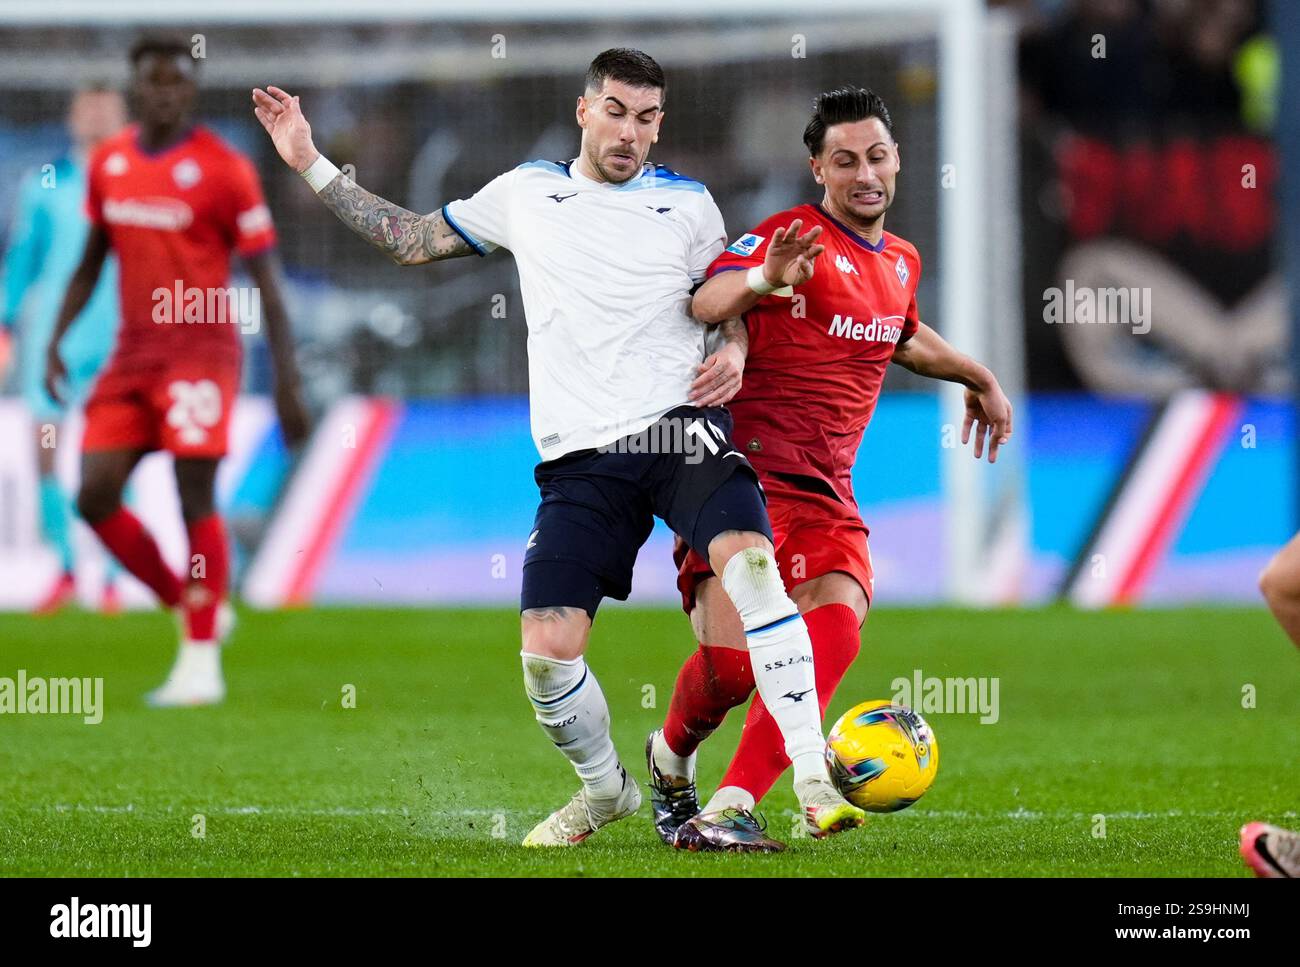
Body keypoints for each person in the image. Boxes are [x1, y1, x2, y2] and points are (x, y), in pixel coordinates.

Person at [251, 47, 867, 846]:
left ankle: (814, 778)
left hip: (682, 431)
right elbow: (407, 239)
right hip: (581, 455)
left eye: (647, 118)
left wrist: (737, 347)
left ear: (659, 125)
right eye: (615, 111)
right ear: (584, 110)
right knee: (547, 653)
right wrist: (309, 162)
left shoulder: (691, 206)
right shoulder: (525, 193)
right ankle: (606, 788)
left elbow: (720, 302)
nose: (630, 133)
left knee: (755, 566)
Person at [644, 87, 1013, 851]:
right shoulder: (791, 235)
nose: (864, 173)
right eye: (844, 160)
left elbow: (903, 337)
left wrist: (979, 375)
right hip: (738, 479)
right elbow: (711, 300)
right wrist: (752, 308)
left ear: (897, 160)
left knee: (837, 624)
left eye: (876, 156)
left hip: (825, 493)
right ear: (819, 167)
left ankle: (733, 803)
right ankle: (670, 757)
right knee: (732, 671)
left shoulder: (901, 262)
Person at [46, 33, 308, 706]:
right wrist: (53, 339)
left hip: (201, 353)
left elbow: (268, 282)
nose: (164, 91)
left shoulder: (224, 168)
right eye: (152, 81)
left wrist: (287, 378)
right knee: (93, 496)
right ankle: (189, 603)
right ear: (136, 89)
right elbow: (89, 262)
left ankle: (199, 664)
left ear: (190, 89)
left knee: (196, 495)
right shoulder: (111, 164)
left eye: (176, 81)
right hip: (131, 355)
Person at [0, 84, 126, 613]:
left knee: (116, 459)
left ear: (123, 118)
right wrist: (4, 323)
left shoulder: (138, 183)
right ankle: (70, 571)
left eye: (106, 109)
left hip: (119, 336)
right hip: (51, 338)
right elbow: (21, 263)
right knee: (47, 453)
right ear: (72, 118)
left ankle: (118, 576)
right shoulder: (45, 186)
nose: (95, 117)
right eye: (86, 108)